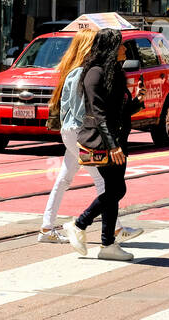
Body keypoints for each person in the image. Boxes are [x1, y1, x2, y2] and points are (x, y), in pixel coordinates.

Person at [40, 29, 140, 245]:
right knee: (105, 182)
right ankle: (106, 230)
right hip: (81, 132)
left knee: (65, 179)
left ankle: (47, 226)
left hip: (72, 131)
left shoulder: (77, 70)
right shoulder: (85, 73)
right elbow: (89, 110)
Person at [64, 29, 145, 261]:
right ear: (109, 48)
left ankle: (107, 244)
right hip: (103, 142)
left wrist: (137, 102)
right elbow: (99, 115)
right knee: (117, 190)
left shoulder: (113, 73)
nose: (124, 49)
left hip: (116, 139)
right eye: (120, 45)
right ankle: (79, 224)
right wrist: (113, 146)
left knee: (113, 189)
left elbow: (117, 113)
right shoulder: (94, 74)